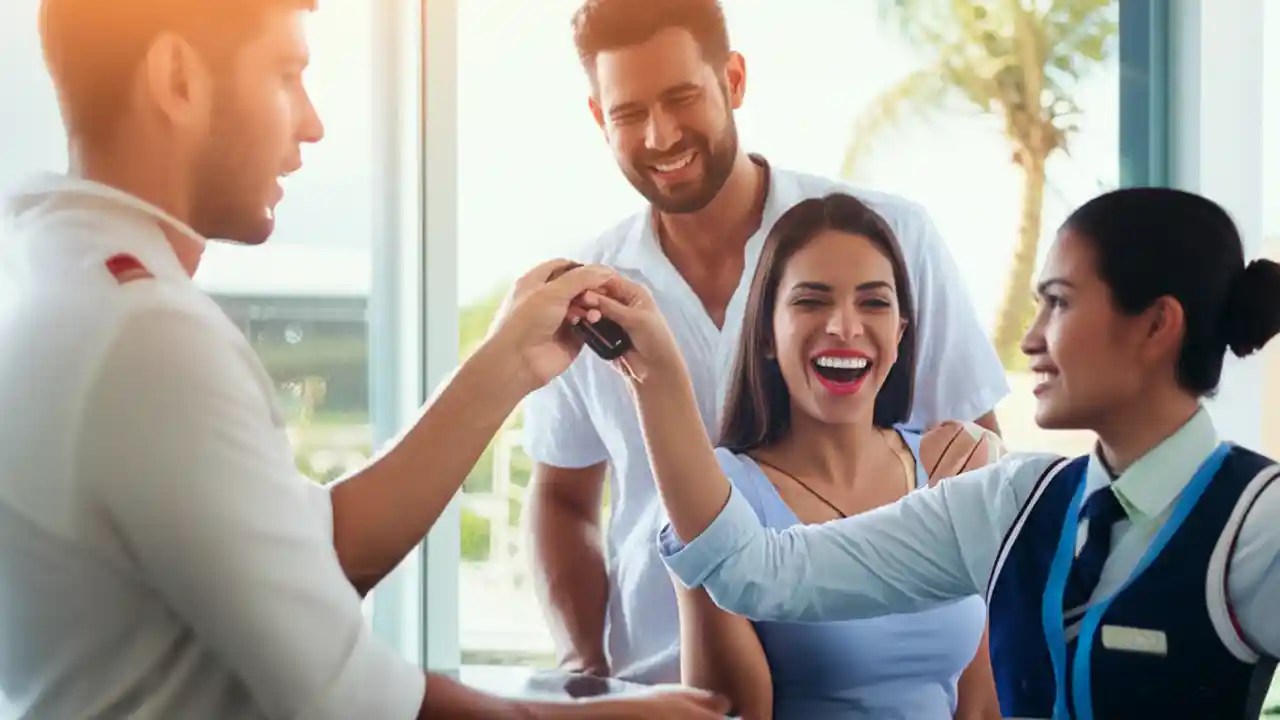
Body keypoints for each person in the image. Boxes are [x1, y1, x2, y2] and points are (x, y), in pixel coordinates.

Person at [0, 1, 730, 718]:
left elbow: (316, 552)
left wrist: (507, 362)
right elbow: (355, 701)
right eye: (286, 74)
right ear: (176, 77)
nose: (311, 122)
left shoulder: (69, 290)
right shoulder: (150, 335)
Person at [585, 186, 1280, 719]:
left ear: (1156, 325)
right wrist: (657, 376)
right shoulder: (1013, 500)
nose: (1030, 339)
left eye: (1060, 305)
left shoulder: (1260, 526)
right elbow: (756, 572)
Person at [524, 0, 1010, 685]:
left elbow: (979, 468)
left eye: (683, 97)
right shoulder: (589, 290)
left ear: (734, 80)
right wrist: (585, 670)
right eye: (629, 113)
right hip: (657, 690)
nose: (661, 135)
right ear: (599, 118)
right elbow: (562, 500)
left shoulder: (887, 239)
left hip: (864, 675)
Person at [668, 193, 1004, 719]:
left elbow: (981, 705)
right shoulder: (721, 493)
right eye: (811, 301)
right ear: (766, 336)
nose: (844, 327)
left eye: (873, 302)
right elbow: (735, 710)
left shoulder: (953, 472)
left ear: (900, 333)